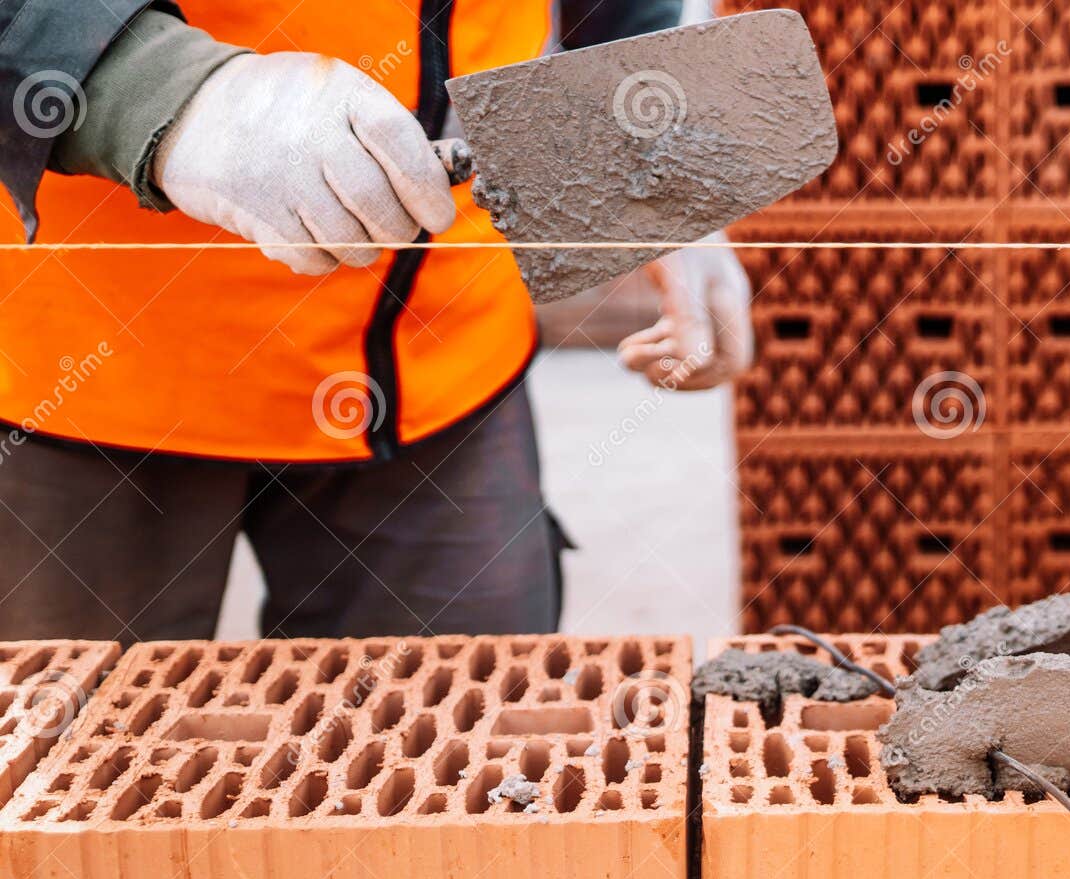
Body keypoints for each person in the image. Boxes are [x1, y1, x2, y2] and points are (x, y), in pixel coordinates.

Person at [0, 0, 753, 642]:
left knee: (469, 757)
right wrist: (158, 89)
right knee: (83, 772)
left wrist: (644, 154)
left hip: (438, 347)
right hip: (92, 361)